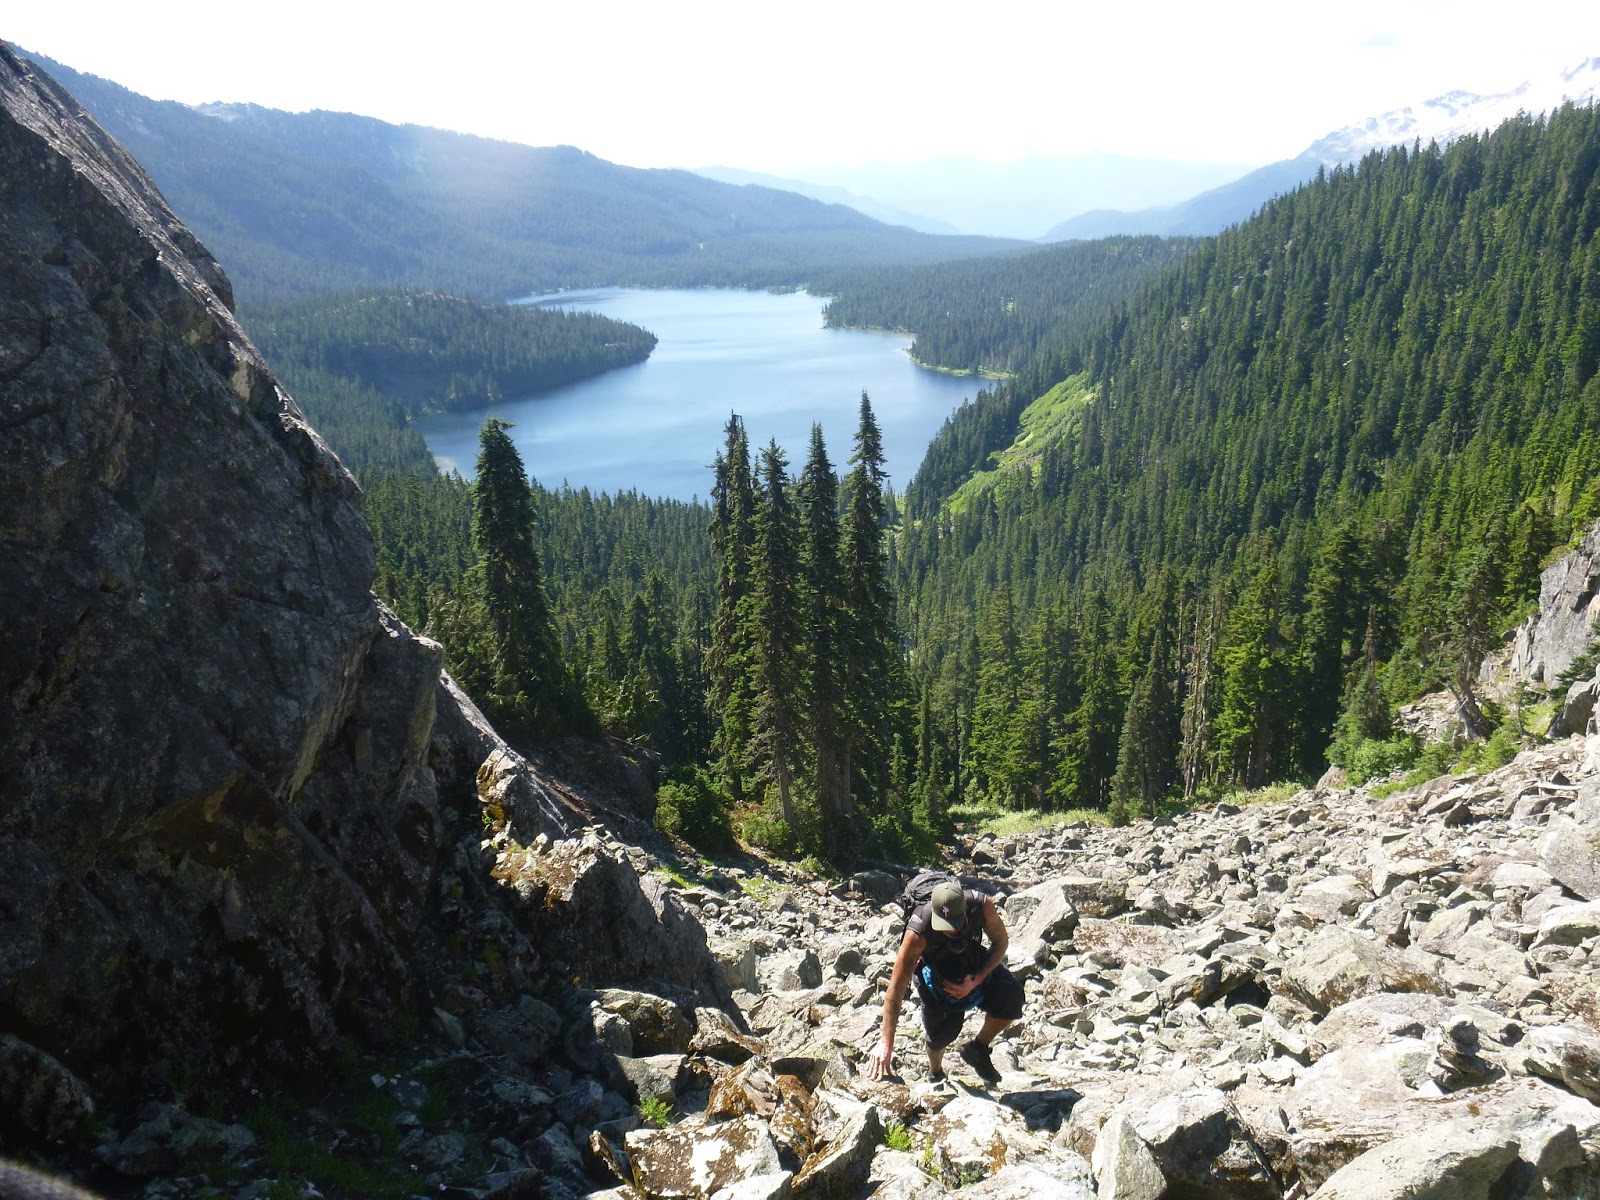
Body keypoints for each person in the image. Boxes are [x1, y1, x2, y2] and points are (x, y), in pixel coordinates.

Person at [865, 878, 1024, 1085]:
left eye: (955, 925)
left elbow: (1001, 941)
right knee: (943, 1033)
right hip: (934, 970)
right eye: (944, 926)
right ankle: (936, 1071)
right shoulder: (918, 932)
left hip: (971, 962)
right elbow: (896, 987)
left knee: (1012, 998)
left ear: (965, 910)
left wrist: (977, 978)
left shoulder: (982, 906)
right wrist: (886, 1043)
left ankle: (978, 1049)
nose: (950, 931)